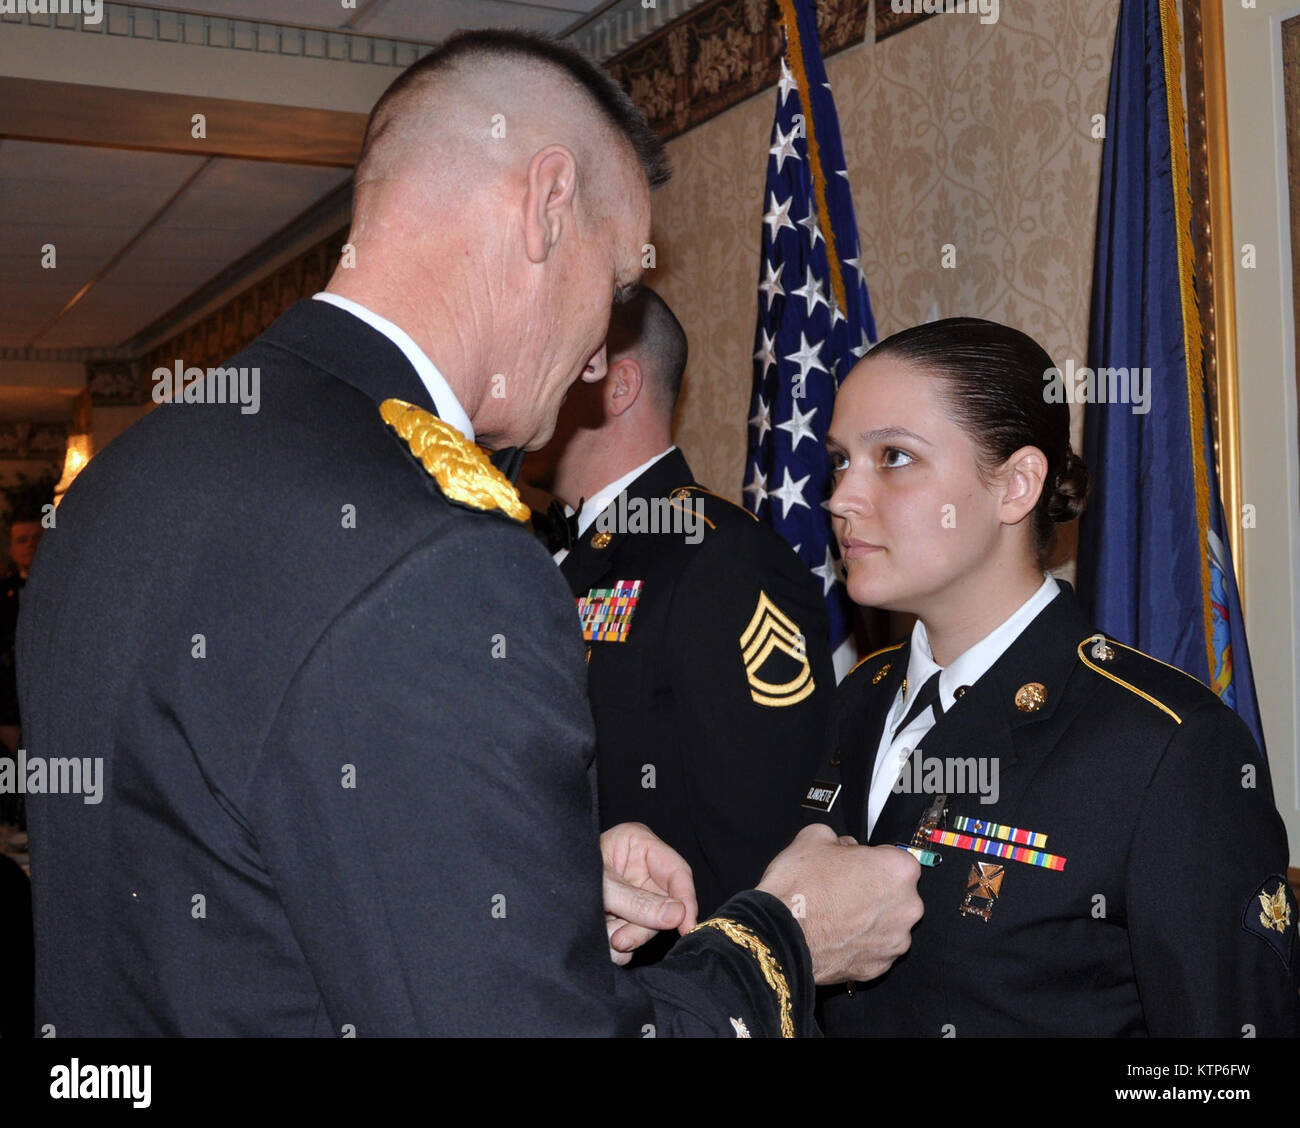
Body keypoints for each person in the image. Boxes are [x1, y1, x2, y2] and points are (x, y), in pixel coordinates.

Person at [19, 29, 922, 1037]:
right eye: (617, 285)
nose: (596, 355)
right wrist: (783, 941)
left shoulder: (135, 471)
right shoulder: (437, 551)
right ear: (546, 206)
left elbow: (229, 856)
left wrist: (531, 885)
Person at [803, 316, 1299, 1036]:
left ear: (1017, 486)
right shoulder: (862, 697)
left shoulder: (1164, 747)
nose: (842, 498)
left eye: (894, 458)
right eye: (841, 460)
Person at [527, 288, 834, 924]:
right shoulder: (532, 552)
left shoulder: (722, 561)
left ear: (618, 386)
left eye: (548, 357)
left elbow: (764, 854)